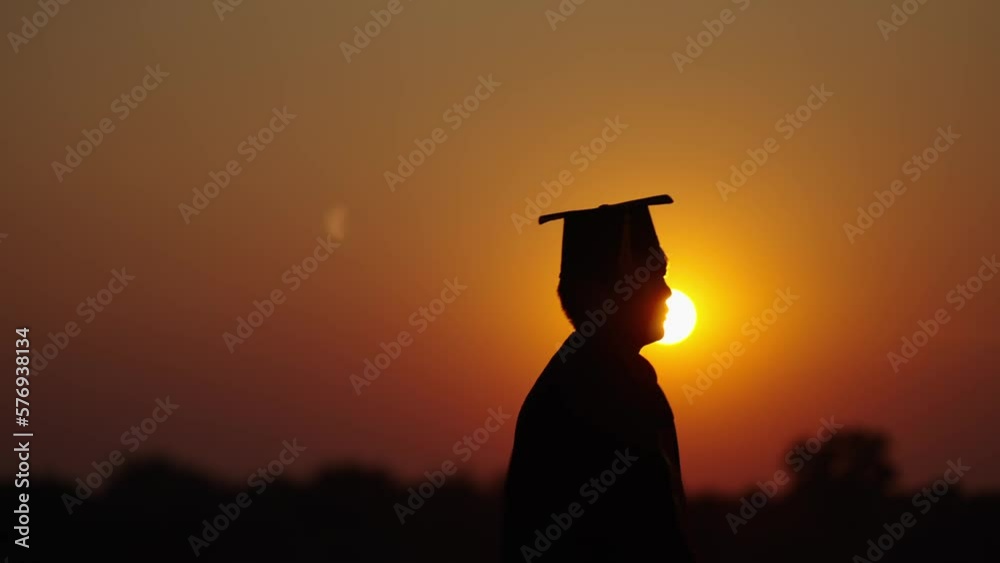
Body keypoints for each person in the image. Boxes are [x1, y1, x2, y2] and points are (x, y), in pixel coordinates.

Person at [501, 195, 696, 562]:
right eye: (649, 276)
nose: (667, 293)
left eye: (663, 276)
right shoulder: (590, 391)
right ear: (599, 294)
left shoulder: (618, 377)